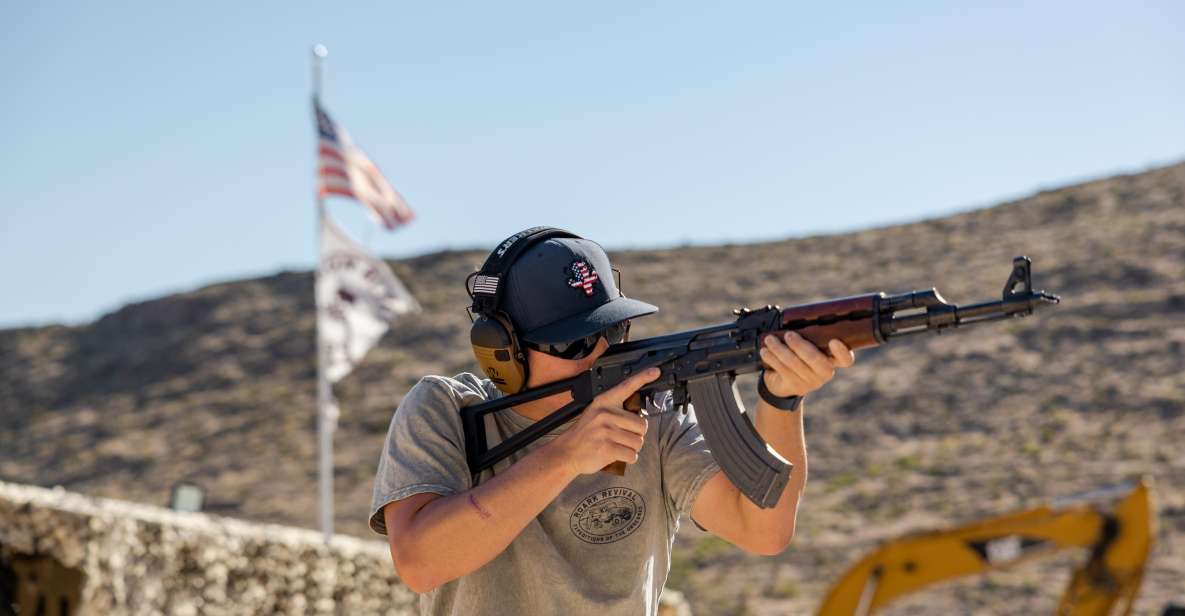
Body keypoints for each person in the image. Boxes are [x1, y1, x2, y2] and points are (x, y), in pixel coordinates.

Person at [368, 228, 855, 615]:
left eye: (613, 330)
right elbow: (421, 562)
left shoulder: (656, 416)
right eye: (572, 343)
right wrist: (566, 457)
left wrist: (782, 399)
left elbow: (762, 530)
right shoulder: (444, 411)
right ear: (502, 352)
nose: (601, 354)